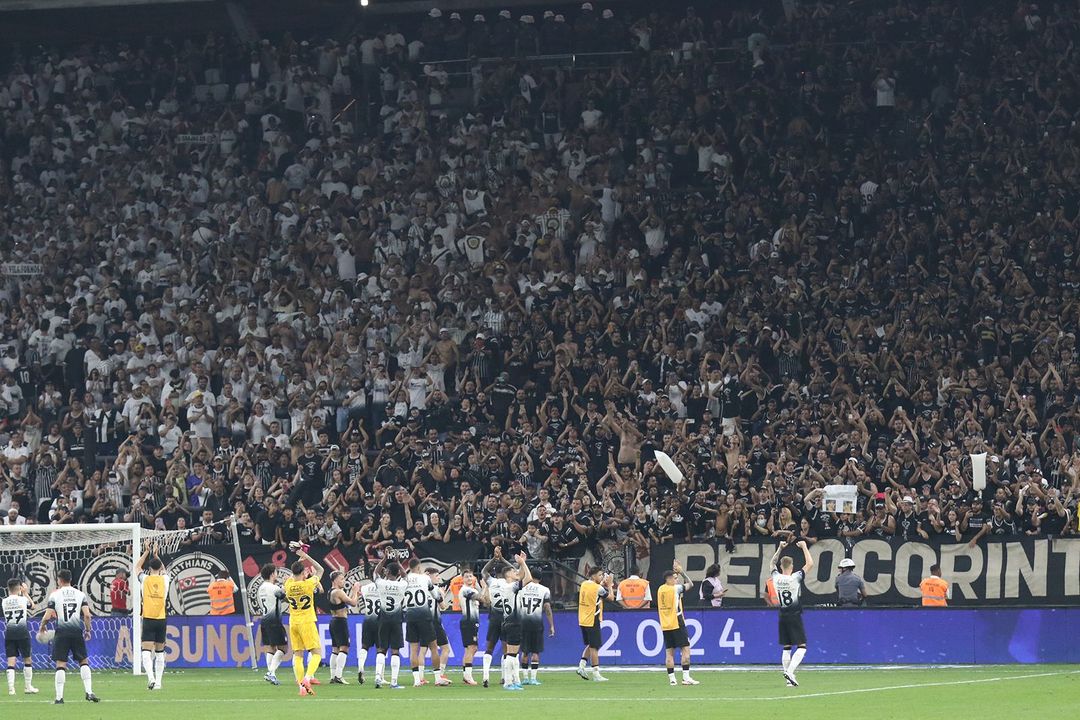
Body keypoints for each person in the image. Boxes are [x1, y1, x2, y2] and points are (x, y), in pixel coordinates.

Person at [39, 569, 99, 703]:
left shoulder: (55, 595)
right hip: (76, 632)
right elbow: (87, 615)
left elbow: (47, 616)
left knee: (61, 664)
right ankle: (89, 692)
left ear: (59, 580)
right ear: (70, 579)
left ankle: (59, 698)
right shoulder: (80, 594)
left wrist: (42, 627)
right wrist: (88, 630)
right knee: (83, 661)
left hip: (61, 633)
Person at [769, 539, 814, 687]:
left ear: (781, 566)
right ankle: (790, 672)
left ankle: (788, 679)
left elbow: (771, 563)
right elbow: (810, 564)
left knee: (787, 647)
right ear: (792, 566)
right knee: (802, 646)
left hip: (782, 615)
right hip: (794, 615)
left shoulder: (776, 578)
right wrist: (804, 547)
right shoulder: (795, 577)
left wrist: (779, 548)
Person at [283, 546, 325, 696]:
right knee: (317, 653)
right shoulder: (308, 584)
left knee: (298, 655)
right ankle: (307, 679)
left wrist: (299, 560)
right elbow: (320, 570)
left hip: (293, 622)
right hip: (306, 621)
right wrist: (306, 557)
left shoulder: (288, 585)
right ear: (303, 573)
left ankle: (301, 687)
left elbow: (293, 573)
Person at [487, 552, 531, 691]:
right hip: (514, 622)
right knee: (511, 655)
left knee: (512, 654)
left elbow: (522, 575)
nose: (516, 572)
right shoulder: (511, 587)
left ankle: (513, 680)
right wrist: (522, 563)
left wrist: (522, 563)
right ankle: (508, 682)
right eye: (513, 571)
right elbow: (528, 578)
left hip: (508, 621)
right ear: (508, 576)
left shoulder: (507, 587)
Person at [134, 542, 169, 691]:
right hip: (161, 619)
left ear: (149, 568)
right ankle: (158, 683)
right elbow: (164, 570)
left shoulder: (145, 579)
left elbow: (137, 567)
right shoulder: (165, 579)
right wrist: (155, 554)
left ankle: (151, 678)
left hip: (148, 618)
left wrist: (146, 552)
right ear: (160, 568)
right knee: (160, 652)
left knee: (146, 652)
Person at [657, 561, 698, 686]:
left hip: (665, 624)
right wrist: (682, 572)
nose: (677, 580)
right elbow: (690, 584)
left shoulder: (660, 589)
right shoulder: (675, 589)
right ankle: (686, 677)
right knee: (686, 649)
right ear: (668, 579)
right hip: (677, 621)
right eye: (675, 578)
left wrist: (676, 573)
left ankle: (672, 679)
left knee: (669, 652)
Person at [372, 557, 407, 689]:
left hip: (383, 619)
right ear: (398, 573)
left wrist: (385, 558)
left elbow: (376, 572)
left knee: (382, 649)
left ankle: (377, 677)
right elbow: (405, 575)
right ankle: (393, 682)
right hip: (396, 620)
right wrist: (398, 562)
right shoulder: (401, 585)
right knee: (395, 651)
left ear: (387, 572)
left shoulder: (381, 583)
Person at [403, 558, 438, 687]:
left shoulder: (404, 580)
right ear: (418, 567)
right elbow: (435, 595)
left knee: (413, 649)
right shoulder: (425, 578)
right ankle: (438, 678)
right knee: (433, 646)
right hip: (424, 616)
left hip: (410, 616)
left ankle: (417, 680)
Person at [576, 567, 612, 682]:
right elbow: (611, 597)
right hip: (592, 619)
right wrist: (610, 585)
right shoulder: (598, 588)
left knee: (591, 645)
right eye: (600, 575)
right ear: (593, 576)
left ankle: (581, 666)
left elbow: (594, 591)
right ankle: (596, 673)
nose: (601, 577)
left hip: (583, 619)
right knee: (594, 647)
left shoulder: (584, 584)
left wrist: (602, 584)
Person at [3, 578, 38, 695]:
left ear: (8, 588)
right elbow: (33, 606)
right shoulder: (23, 600)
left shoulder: (4, 601)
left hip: (10, 634)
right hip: (22, 633)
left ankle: (11, 689)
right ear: (19, 588)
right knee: (27, 659)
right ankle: (28, 687)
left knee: (11, 661)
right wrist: (25, 593)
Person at [517, 577, 553, 686]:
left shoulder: (521, 588)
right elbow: (547, 607)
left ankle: (525, 678)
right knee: (535, 652)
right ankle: (533, 678)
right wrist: (551, 625)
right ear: (541, 578)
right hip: (537, 624)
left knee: (524, 651)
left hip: (523, 623)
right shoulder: (544, 590)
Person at [256, 564, 288, 685]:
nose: (277, 574)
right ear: (272, 574)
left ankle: (271, 674)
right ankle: (271, 672)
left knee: (271, 647)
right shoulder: (273, 588)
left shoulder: (261, 588)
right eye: (276, 572)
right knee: (283, 648)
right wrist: (286, 585)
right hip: (274, 621)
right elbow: (285, 597)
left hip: (264, 620)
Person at [327, 571, 360, 684]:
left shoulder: (331, 591)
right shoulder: (338, 592)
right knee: (344, 647)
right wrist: (355, 591)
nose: (343, 581)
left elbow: (346, 603)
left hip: (334, 621)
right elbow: (353, 603)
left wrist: (355, 595)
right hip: (340, 622)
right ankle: (338, 676)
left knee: (335, 649)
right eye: (341, 579)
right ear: (335, 580)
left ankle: (333, 676)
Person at [425, 567, 453, 686]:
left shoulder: (421, 588)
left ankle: (419, 677)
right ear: (429, 576)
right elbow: (443, 606)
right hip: (435, 621)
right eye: (436, 575)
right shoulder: (435, 589)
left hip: (423, 621)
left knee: (422, 649)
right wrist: (443, 594)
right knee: (445, 649)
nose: (439, 578)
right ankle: (440, 674)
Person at [457, 569, 483, 685]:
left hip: (473, 621)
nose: (469, 578)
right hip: (468, 621)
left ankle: (465, 675)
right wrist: (483, 587)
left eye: (471, 576)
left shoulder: (472, 589)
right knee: (472, 647)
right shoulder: (465, 590)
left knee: (470, 648)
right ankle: (468, 676)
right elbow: (480, 597)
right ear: (462, 579)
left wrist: (480, 588)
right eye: (466, 576)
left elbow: (484, 599)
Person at [356, 575, 382, 685]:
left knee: (364, 646)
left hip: (367, 620)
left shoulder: (365, 588)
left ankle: (361, 667)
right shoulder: (383, 587)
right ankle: (378, 675)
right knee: (381, 649)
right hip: (380, 621)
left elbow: (361, 599)